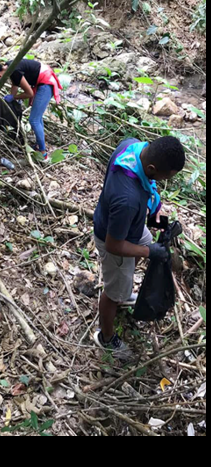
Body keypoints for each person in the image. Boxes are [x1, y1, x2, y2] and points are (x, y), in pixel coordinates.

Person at [91, 136, 185, 361]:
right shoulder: (127, 199)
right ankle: (106, 337)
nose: (165, 181)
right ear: (152, 168)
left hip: (129, 227)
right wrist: (149, 251)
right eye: (166, 176)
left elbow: (144, 193)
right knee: (112, 293)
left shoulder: (134, 147)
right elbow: (114, 245)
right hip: (113, 238)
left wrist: (159, 223)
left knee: (147, 245)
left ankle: (122, 294)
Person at [0, 58, 61, 159]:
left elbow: (29, 93)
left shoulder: (14, 71)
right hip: (42, 81)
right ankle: (39, 145)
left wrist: (14, 97)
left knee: (34, 120)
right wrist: (12, 95)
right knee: (37, 118)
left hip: (46, 82)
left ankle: (43, 153)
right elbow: (15, 84)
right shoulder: (8, 66)